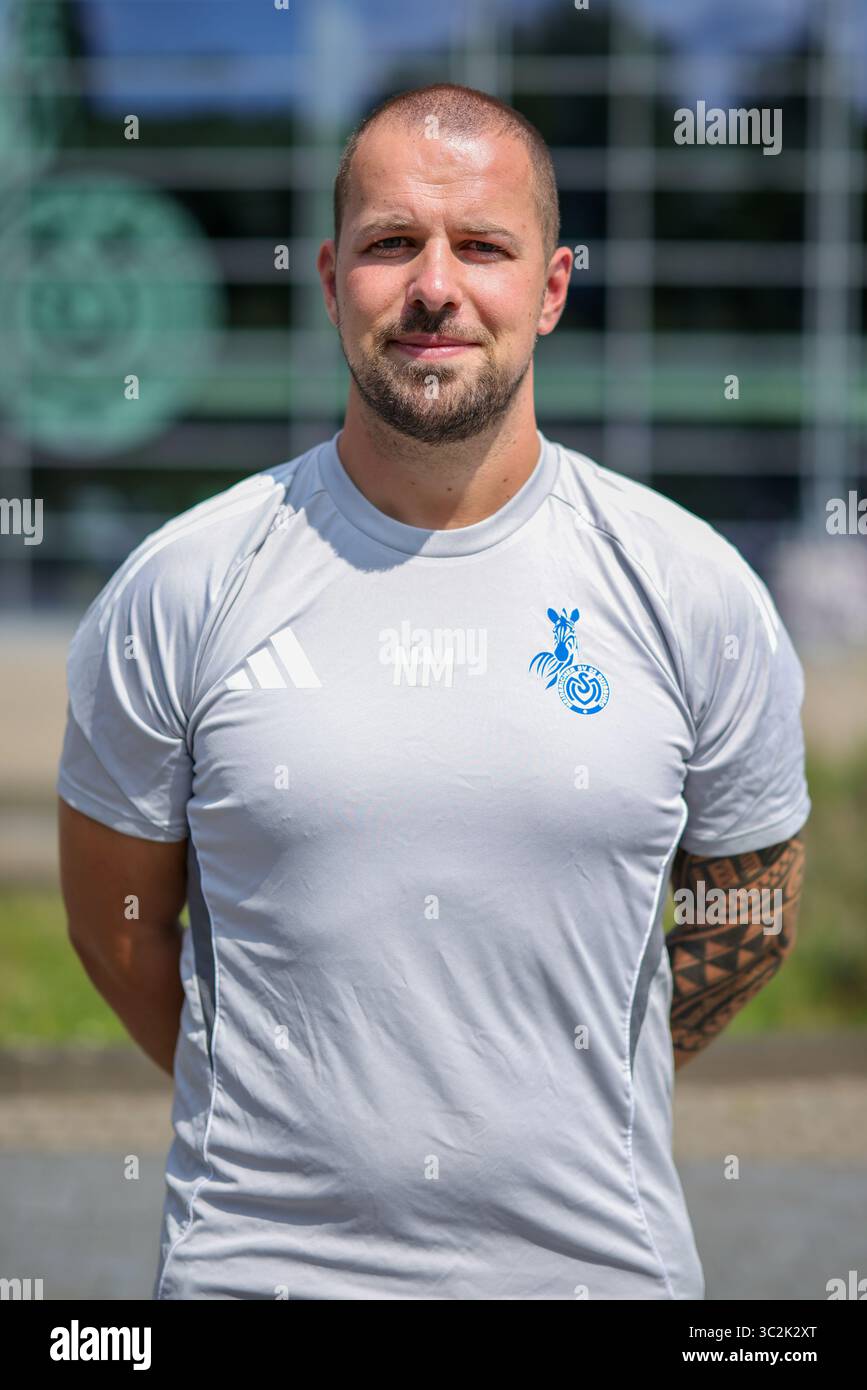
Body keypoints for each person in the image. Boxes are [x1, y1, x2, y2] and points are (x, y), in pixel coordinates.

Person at [57, 82, 810, 1300]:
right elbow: (118, 934)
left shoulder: (690, 589)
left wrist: (555, 1080)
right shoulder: (185, 584)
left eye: (484, 246)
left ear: (554, 287)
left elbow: (751, 915)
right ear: (329, 278)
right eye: (393, 243)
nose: (435, 287)